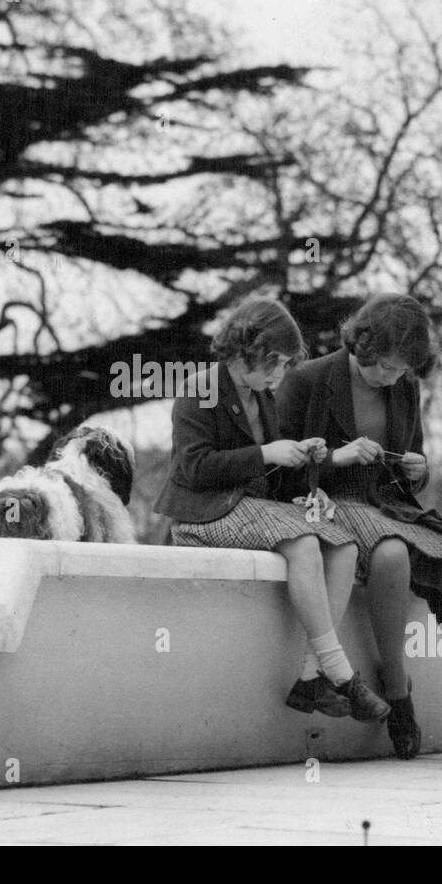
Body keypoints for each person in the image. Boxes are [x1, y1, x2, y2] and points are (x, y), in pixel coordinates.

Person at [276, 293, 442, 759]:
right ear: (363, 344)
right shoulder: (307, 380)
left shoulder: (404, 387)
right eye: (386, 368)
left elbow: (405, 470)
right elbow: (277, 474)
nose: (393, 378)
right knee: (392, 553)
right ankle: (397, 690)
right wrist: (337, 457)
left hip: (389, 507)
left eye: (402, 371)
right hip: (328, 503)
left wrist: (418, 469)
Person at [154, 297, 391, 722]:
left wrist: (309, 468)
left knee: (345, 545)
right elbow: (194, 468)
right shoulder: (199, 389)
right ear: (250, 351)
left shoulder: (261, 397)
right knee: (302, 542)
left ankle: (309, 678)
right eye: (275, 363)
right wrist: (266, 452)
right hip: (201, 513)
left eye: (284, 365)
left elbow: (274, 479)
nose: (281, 374)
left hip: (250, 507)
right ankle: (340, 673)